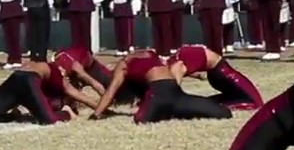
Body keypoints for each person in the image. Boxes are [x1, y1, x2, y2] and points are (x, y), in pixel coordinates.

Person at [90, 50, 233, 124]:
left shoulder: (124, 64)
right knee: (223, 112)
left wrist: (96, 114)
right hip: (175, 91)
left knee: (141, 119)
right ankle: (173, 112)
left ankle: (167, 112)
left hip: (158, 94)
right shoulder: (152, 55)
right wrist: (194, 75)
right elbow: (169, 69)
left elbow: (111, 91)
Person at [0, 61, 97, 125]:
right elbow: (79, 96)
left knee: (49, 120)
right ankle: (15, 116)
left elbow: (77, 95)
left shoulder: (56, 91)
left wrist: (100, 109)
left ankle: (66, 114)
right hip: (21, 79)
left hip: (25, 84)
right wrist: (101, 109)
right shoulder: (56, 73)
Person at [167, 44, 264, 110]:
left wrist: (197, 76)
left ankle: (206, 105)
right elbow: (174, 88)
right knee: (255, 103)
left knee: (233, 98)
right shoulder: (174, 62)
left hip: (219, 74)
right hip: (223, 74)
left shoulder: (172, 63)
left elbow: (181, 71)